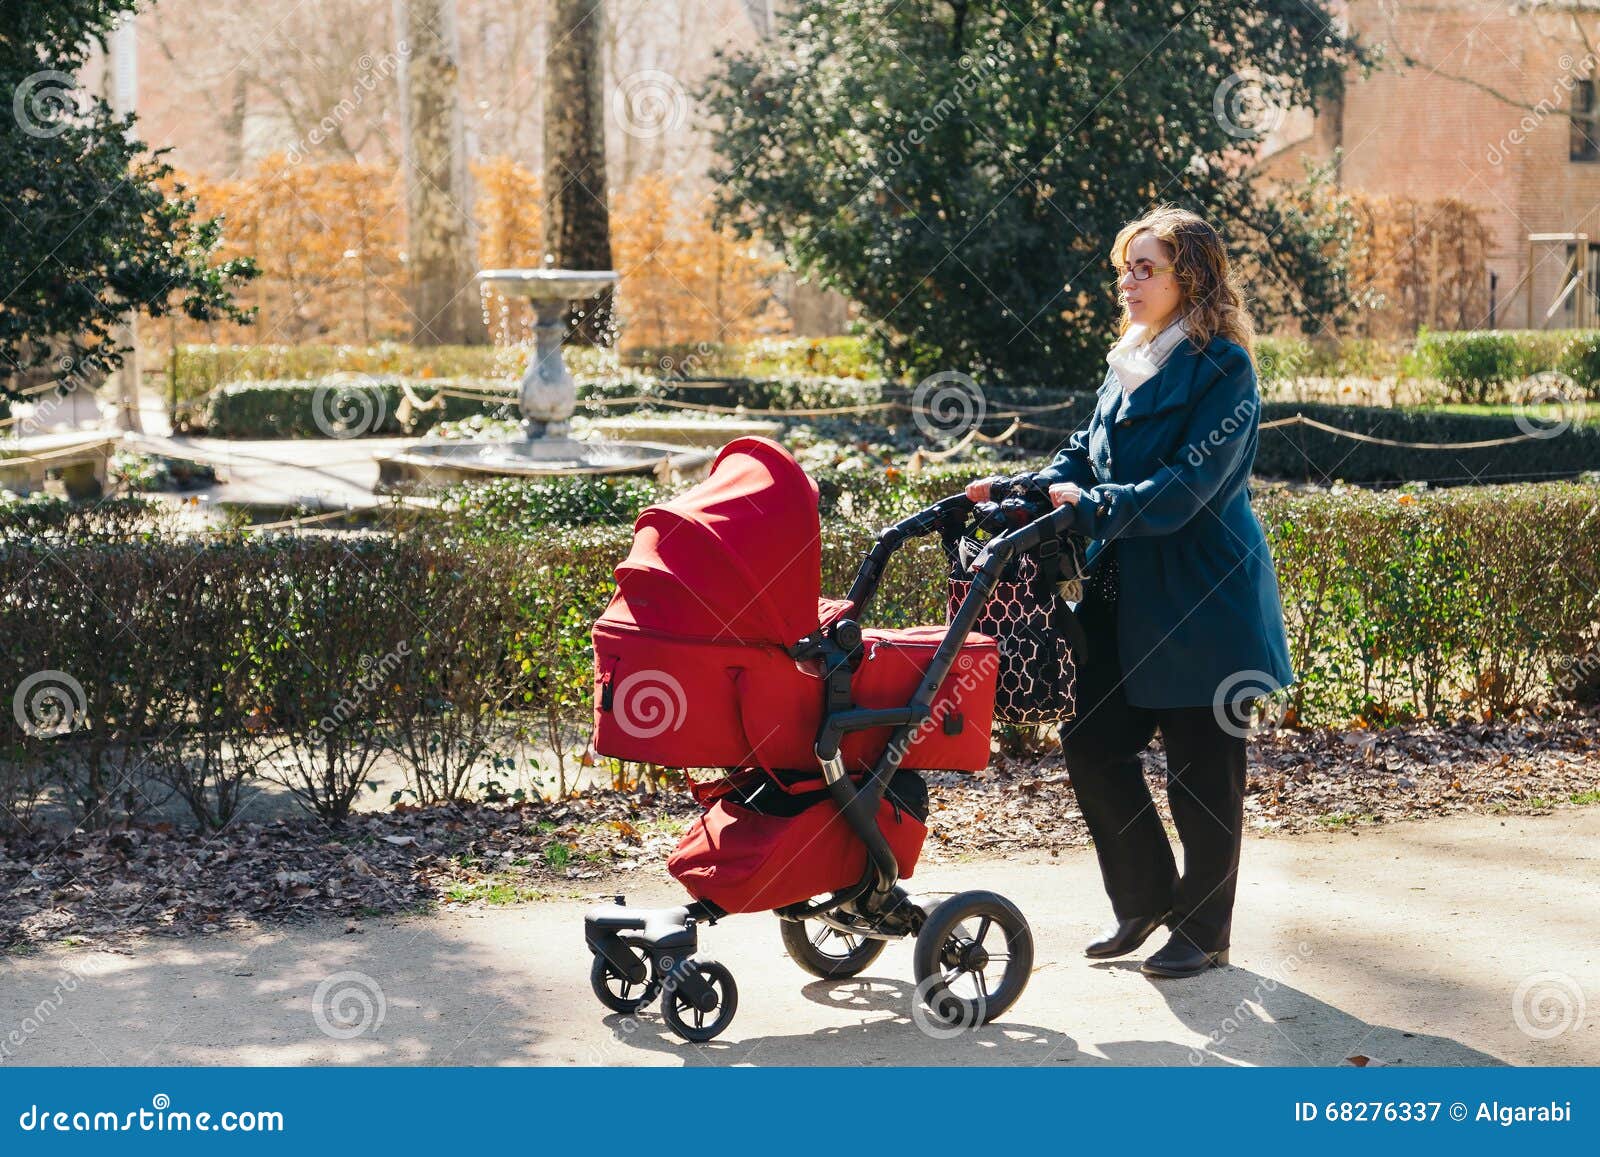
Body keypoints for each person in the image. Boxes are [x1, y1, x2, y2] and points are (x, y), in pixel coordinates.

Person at [965, 205, 1295, 978]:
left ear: (1192, 278)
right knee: (1092, 740)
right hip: (1126, 595)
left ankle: (1206, 930)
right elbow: (1083, 453)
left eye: (1145, 267)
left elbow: (1190, 488)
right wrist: (1026, 489)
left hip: (1203, 599)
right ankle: (1147, 898)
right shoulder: (1133, 356)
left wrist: (1096, 506)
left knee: (1201, 774)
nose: (1127, 281)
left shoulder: (1224, 370)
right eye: (1125, 266)